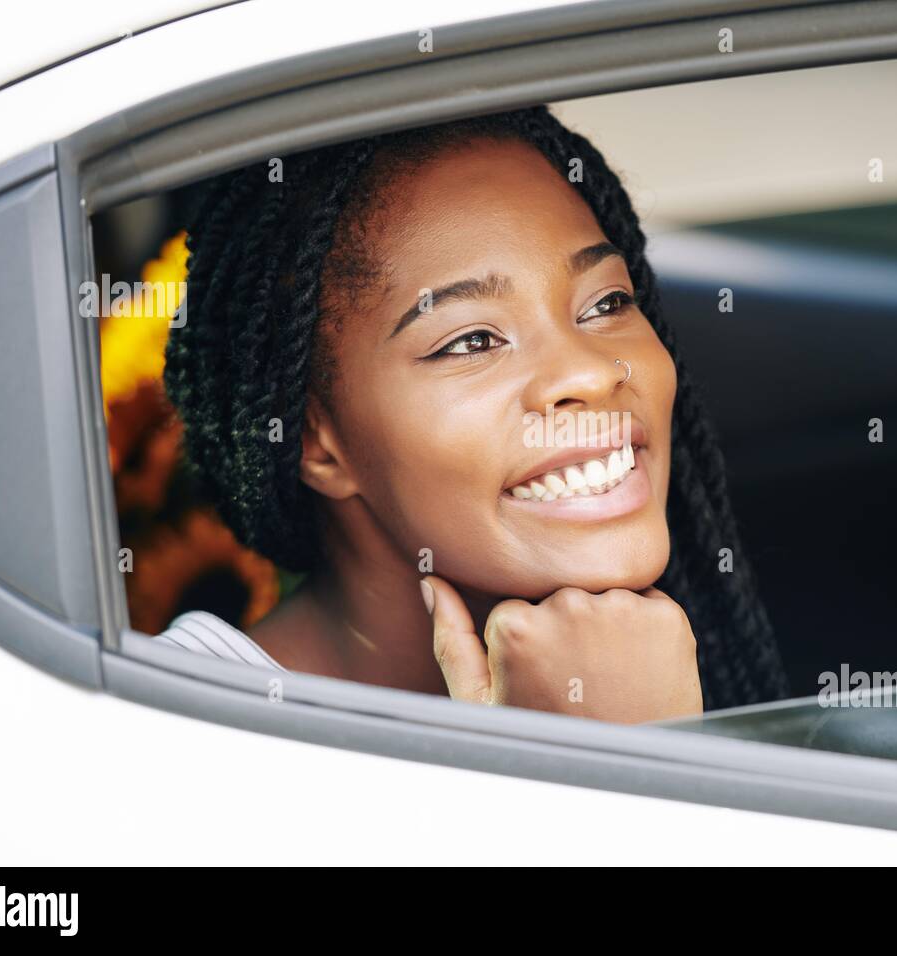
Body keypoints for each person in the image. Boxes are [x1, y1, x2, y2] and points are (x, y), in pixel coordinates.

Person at [160, 105, 789, 722]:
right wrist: (623, 752)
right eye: (473, 341)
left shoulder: (671, 668)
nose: (593, 373)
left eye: (606, 302)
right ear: (315, 444)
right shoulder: (179, 739)